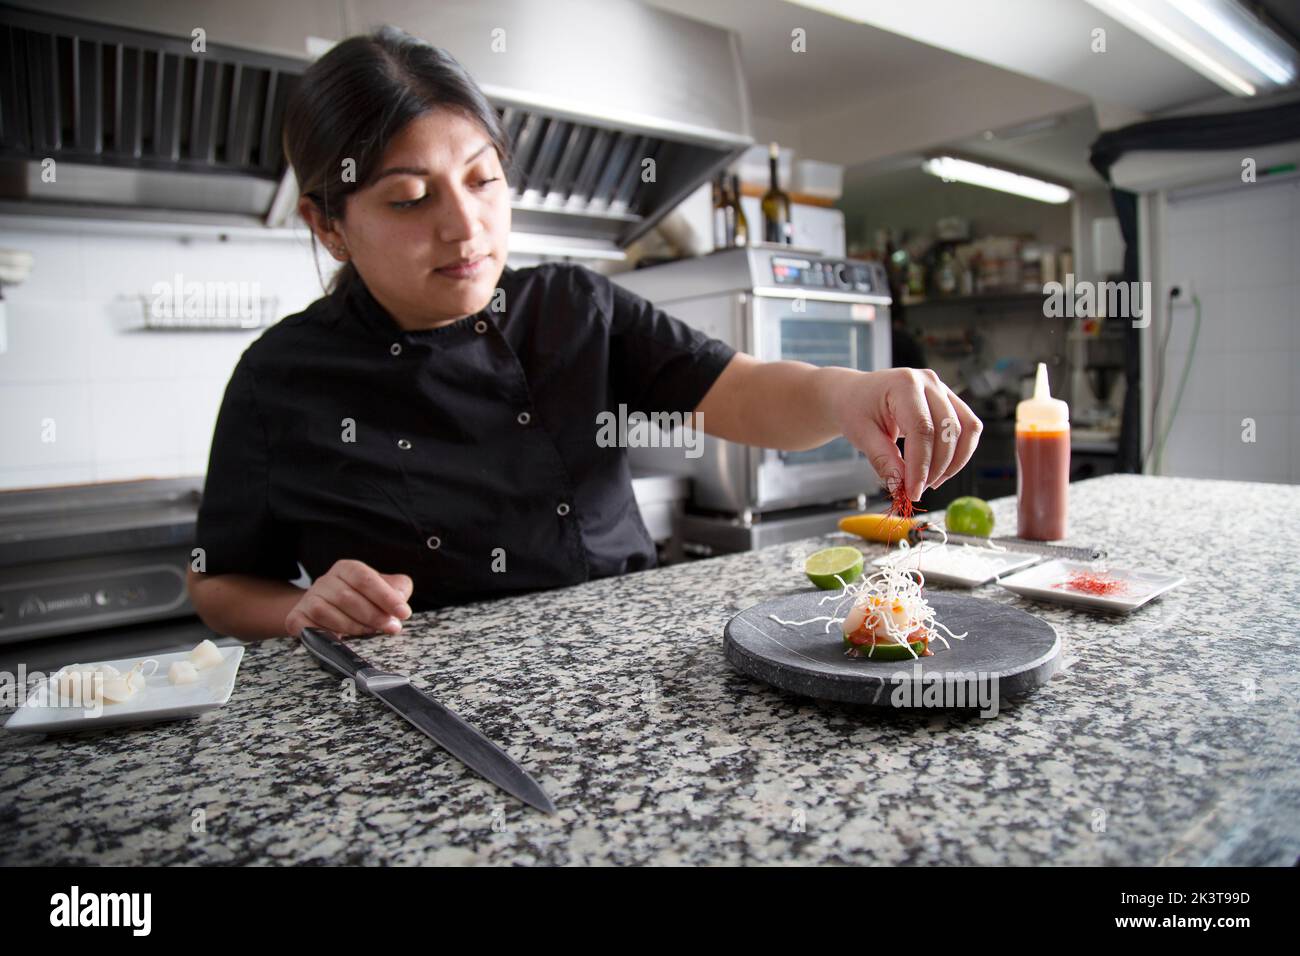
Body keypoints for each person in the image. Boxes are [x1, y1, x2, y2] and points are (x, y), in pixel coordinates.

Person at [187, 26, 982, 642]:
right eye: (407, 198)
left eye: (482, 180)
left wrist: (852, 391)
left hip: (618, 658)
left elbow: (744, 393)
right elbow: (219, 585)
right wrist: (298, 609)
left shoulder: (573, 305)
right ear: (329, 225)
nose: (466, 228)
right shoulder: (280, 376)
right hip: (417, 700)